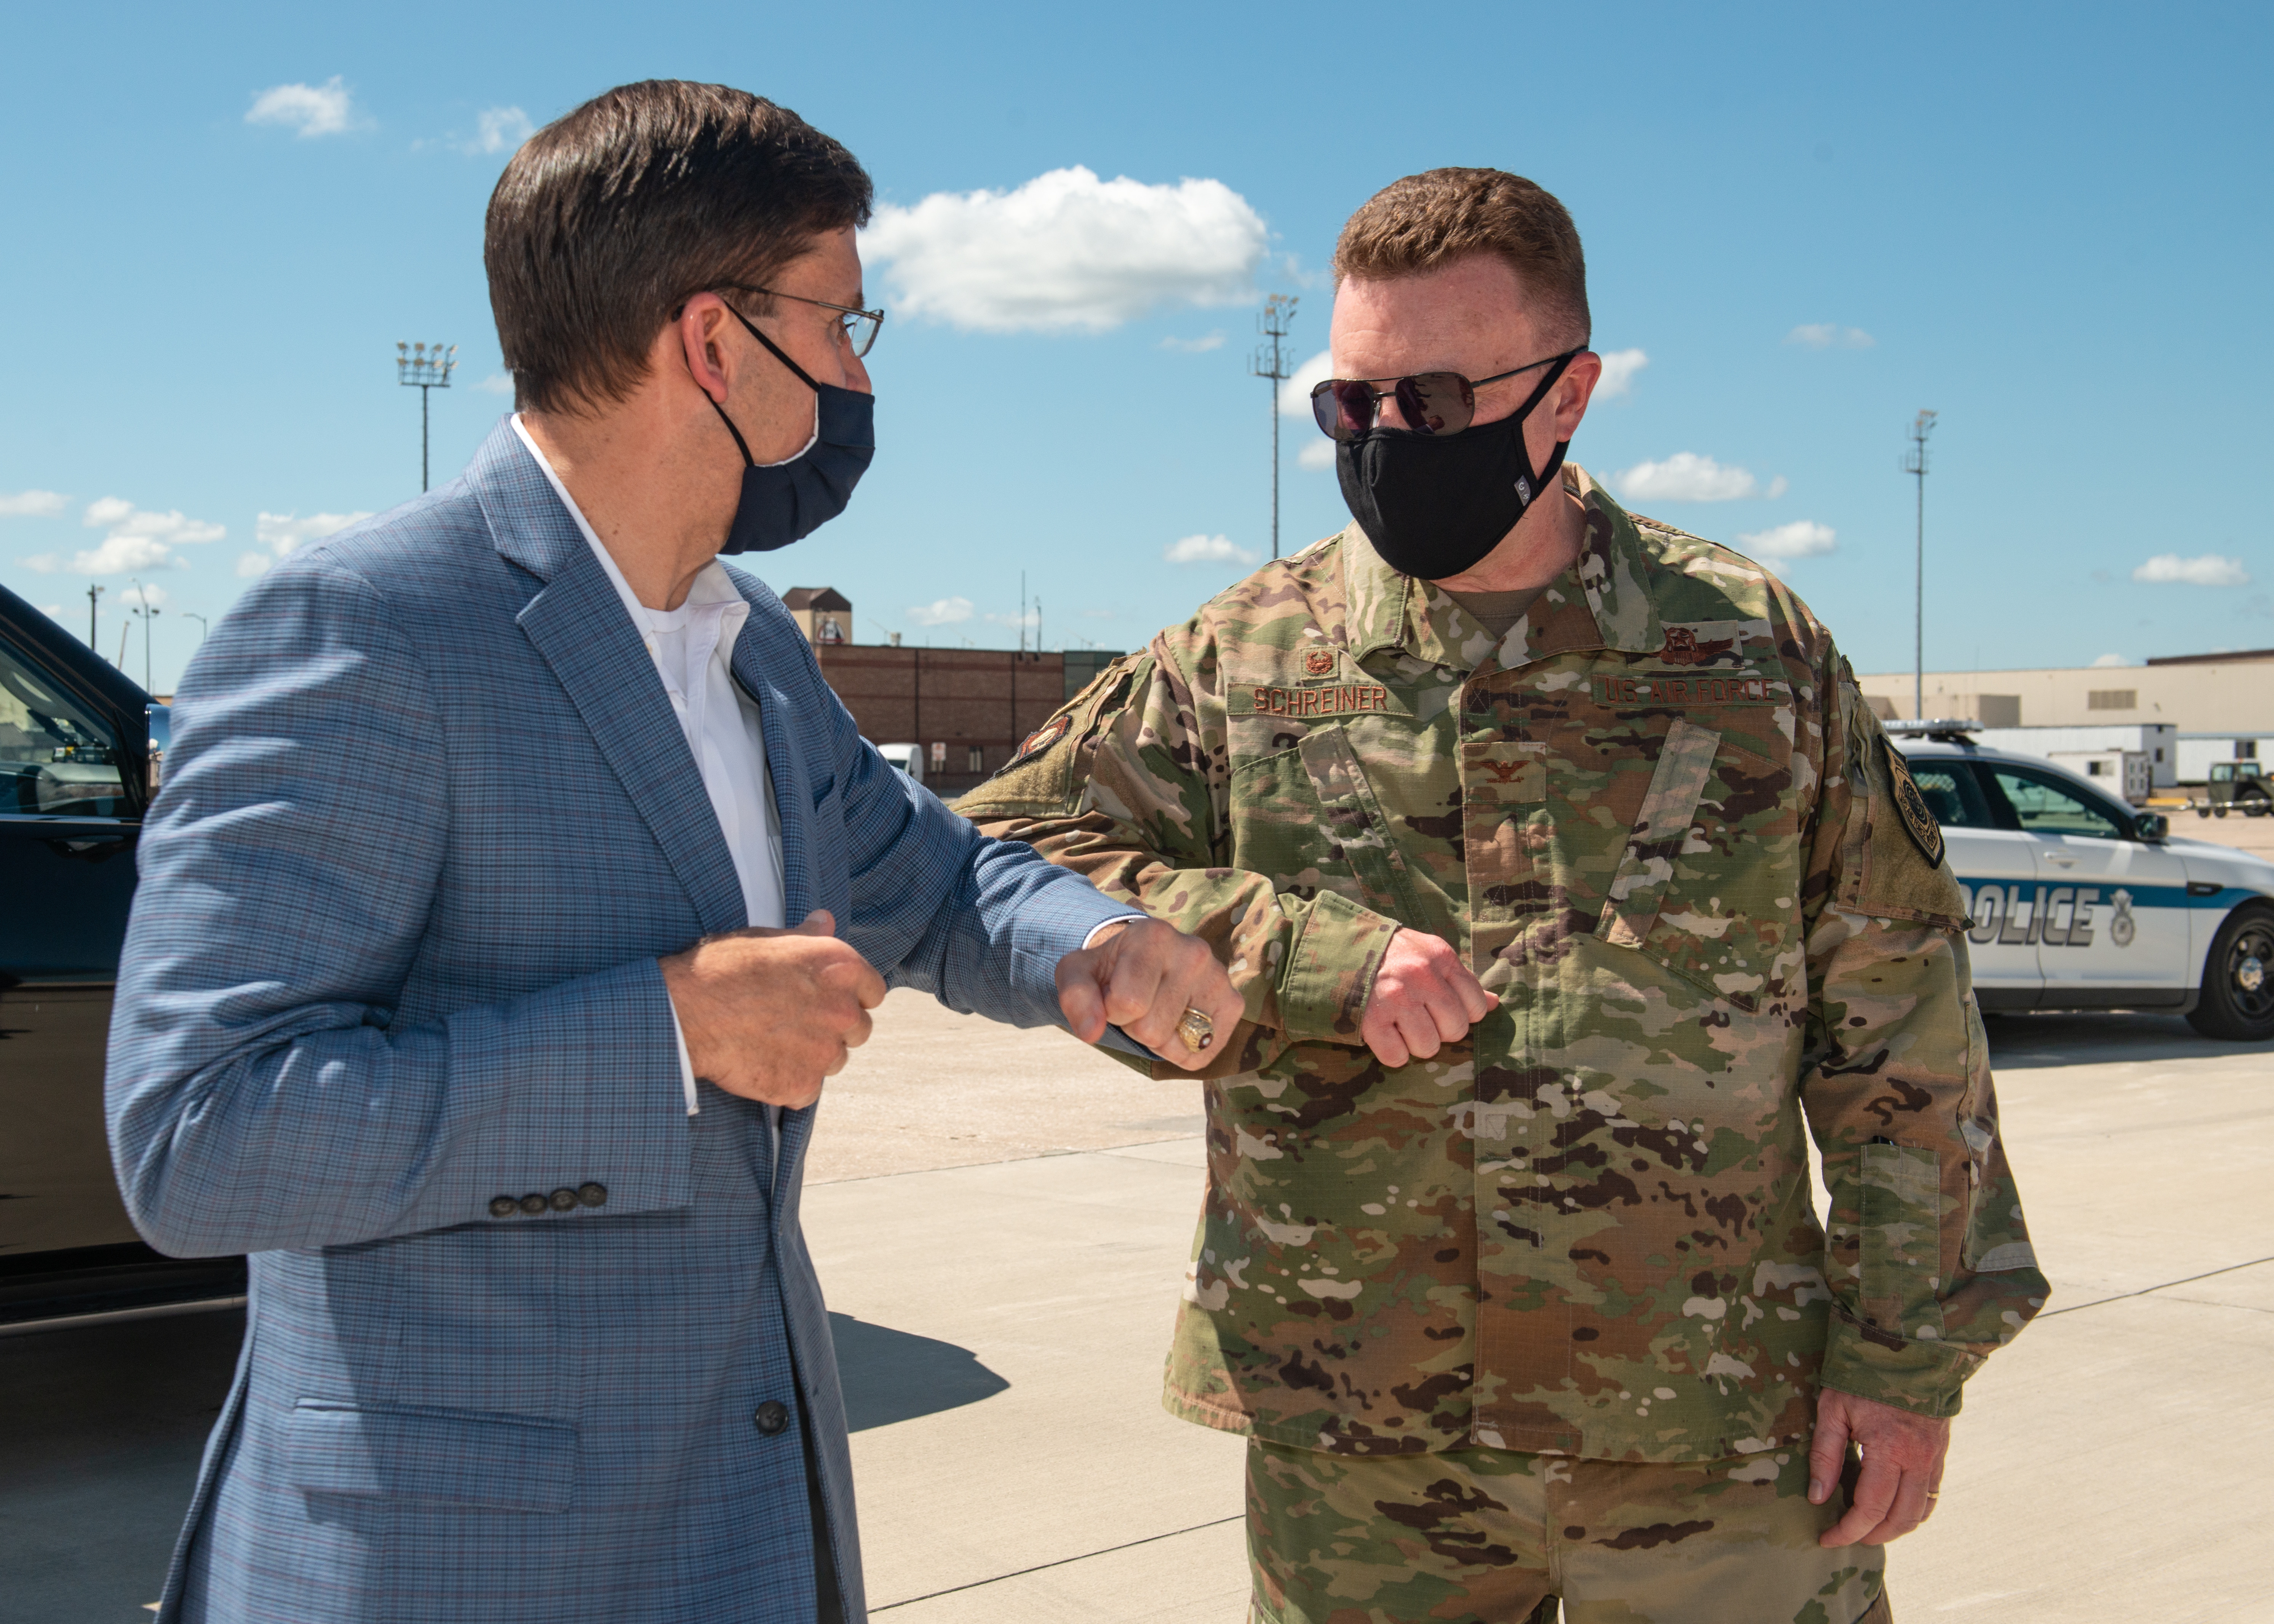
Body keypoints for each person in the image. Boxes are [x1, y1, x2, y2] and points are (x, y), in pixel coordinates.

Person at [105, 81, 1239, 1624]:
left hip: (736, 1532)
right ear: (713, 342)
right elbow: (200, 1134)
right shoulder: (364, 628)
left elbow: (932, 873)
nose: (853, 371)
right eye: (842, 322)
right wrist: (669, 1028)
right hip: (449, 1567)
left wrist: (1086, 945)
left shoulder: (747, 639)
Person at [957, 168, 2045, 1624]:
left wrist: (1905, 1363)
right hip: (1364, 1450)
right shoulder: (1242, 661)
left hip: (1714, 1437)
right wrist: (1295, 953)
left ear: (1571, 393)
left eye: (1440, 401)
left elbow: (1898, 1027)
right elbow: (997, 853)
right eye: (1355, 405)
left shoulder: (1748, 655)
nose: (1391, 437)